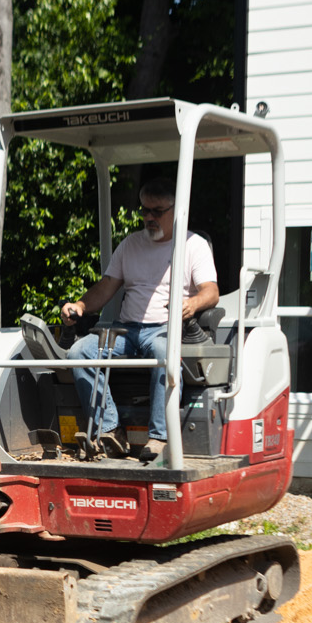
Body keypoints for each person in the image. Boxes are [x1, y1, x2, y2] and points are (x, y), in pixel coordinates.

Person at [59, 174, 218, 463]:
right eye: (145, 210)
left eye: (158, 211)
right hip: (125, 331)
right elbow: (106, 286)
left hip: (165, 330)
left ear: (177, 211)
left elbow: (211, 291)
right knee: (79, 351)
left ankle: (159, 437)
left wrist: (192, 303)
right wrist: (81, 304)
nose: (150, 218)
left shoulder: (193, 245)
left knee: (162, 353)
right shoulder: (130, 245)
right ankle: (109, 430)